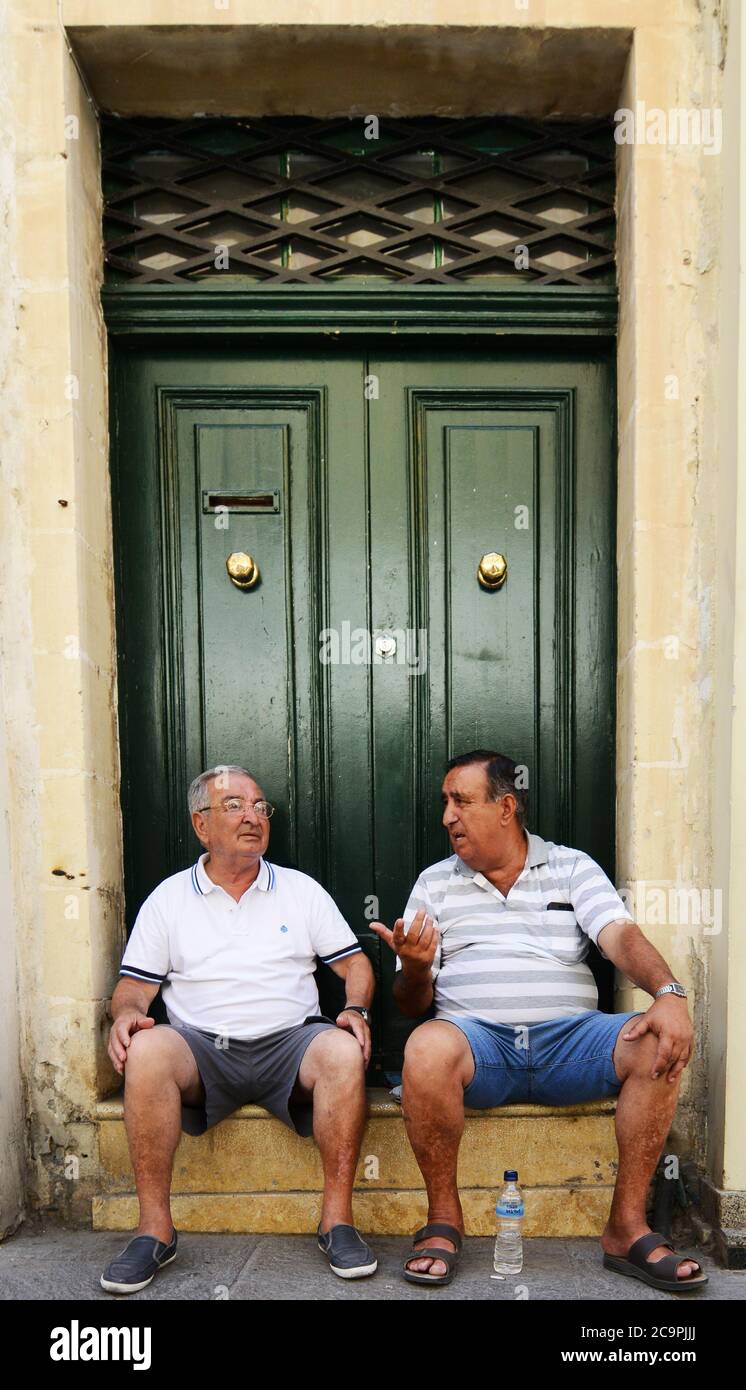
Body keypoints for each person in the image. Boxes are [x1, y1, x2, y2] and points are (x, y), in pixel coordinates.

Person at [372, 749, 707, 1291]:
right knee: (425, 1045)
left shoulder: (570, 866)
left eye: (461, 801)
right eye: (445, 803)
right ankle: (443, 1221)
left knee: (655, 1039)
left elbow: (618, 935)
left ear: (506, 807)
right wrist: (413, 971)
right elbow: (412, 1005)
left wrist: (667, 993)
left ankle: (627, 1228)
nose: (447, 817)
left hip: (570, 1044)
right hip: (479, 1048)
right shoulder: (434, 883)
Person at [101, 765, 376, 1293]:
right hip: (202, 1049)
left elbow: (355, 965)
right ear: (200, 825)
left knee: (342, 1051)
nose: (252, 817)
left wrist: (357, 1008)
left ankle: (336, 1221)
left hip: (290, 1043)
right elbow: (134, 988)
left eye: (259, 806)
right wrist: (125, 1016)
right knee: (148, 1050)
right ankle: (154, 1231)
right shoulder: (169, 898)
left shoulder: (300, 891)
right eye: (233, 806)